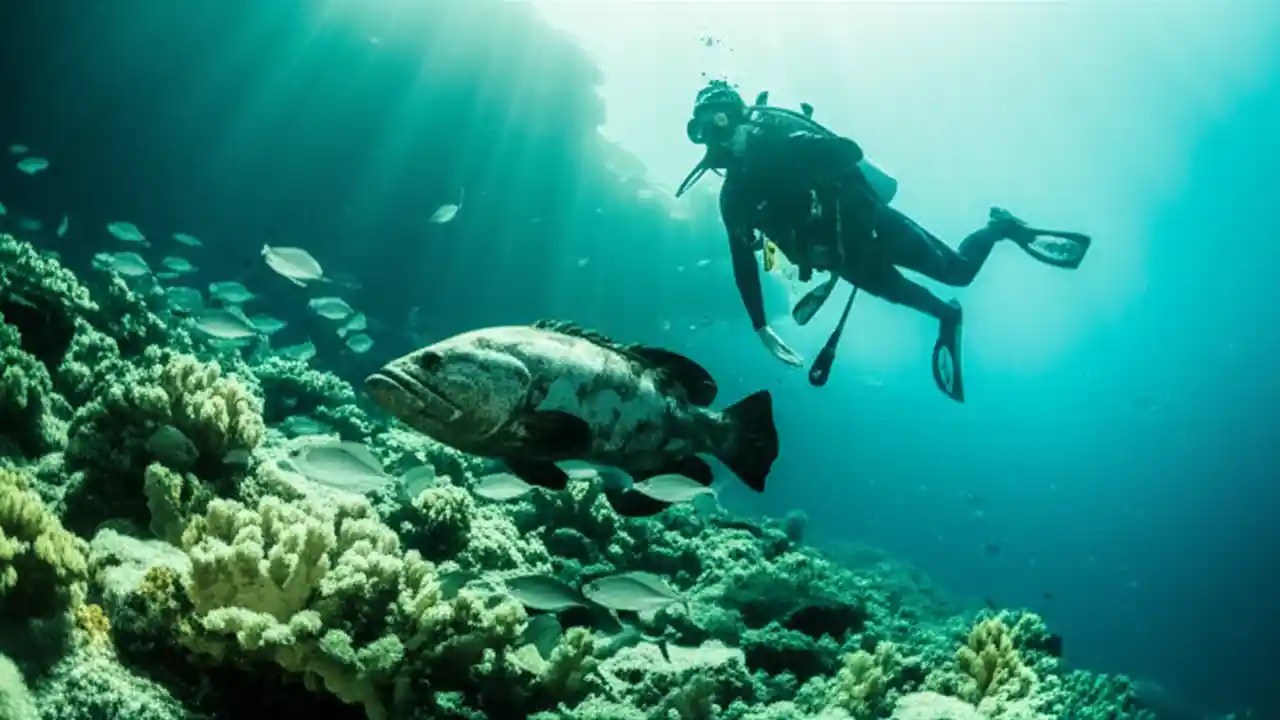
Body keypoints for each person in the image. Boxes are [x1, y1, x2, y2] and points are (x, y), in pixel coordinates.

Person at [678, 80, 1090, 401]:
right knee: (928, 304)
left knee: (959, 273)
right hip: (845, 261)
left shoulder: (779, 136)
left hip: (873, 224)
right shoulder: (734, 196)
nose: (718, 138)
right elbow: (742, 259)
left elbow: (846, 152)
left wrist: (783, 146)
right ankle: (949, 317)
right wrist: (760, 326)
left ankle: (1001, 226)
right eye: (704, 131)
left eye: (721, 123)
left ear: (739, 115)